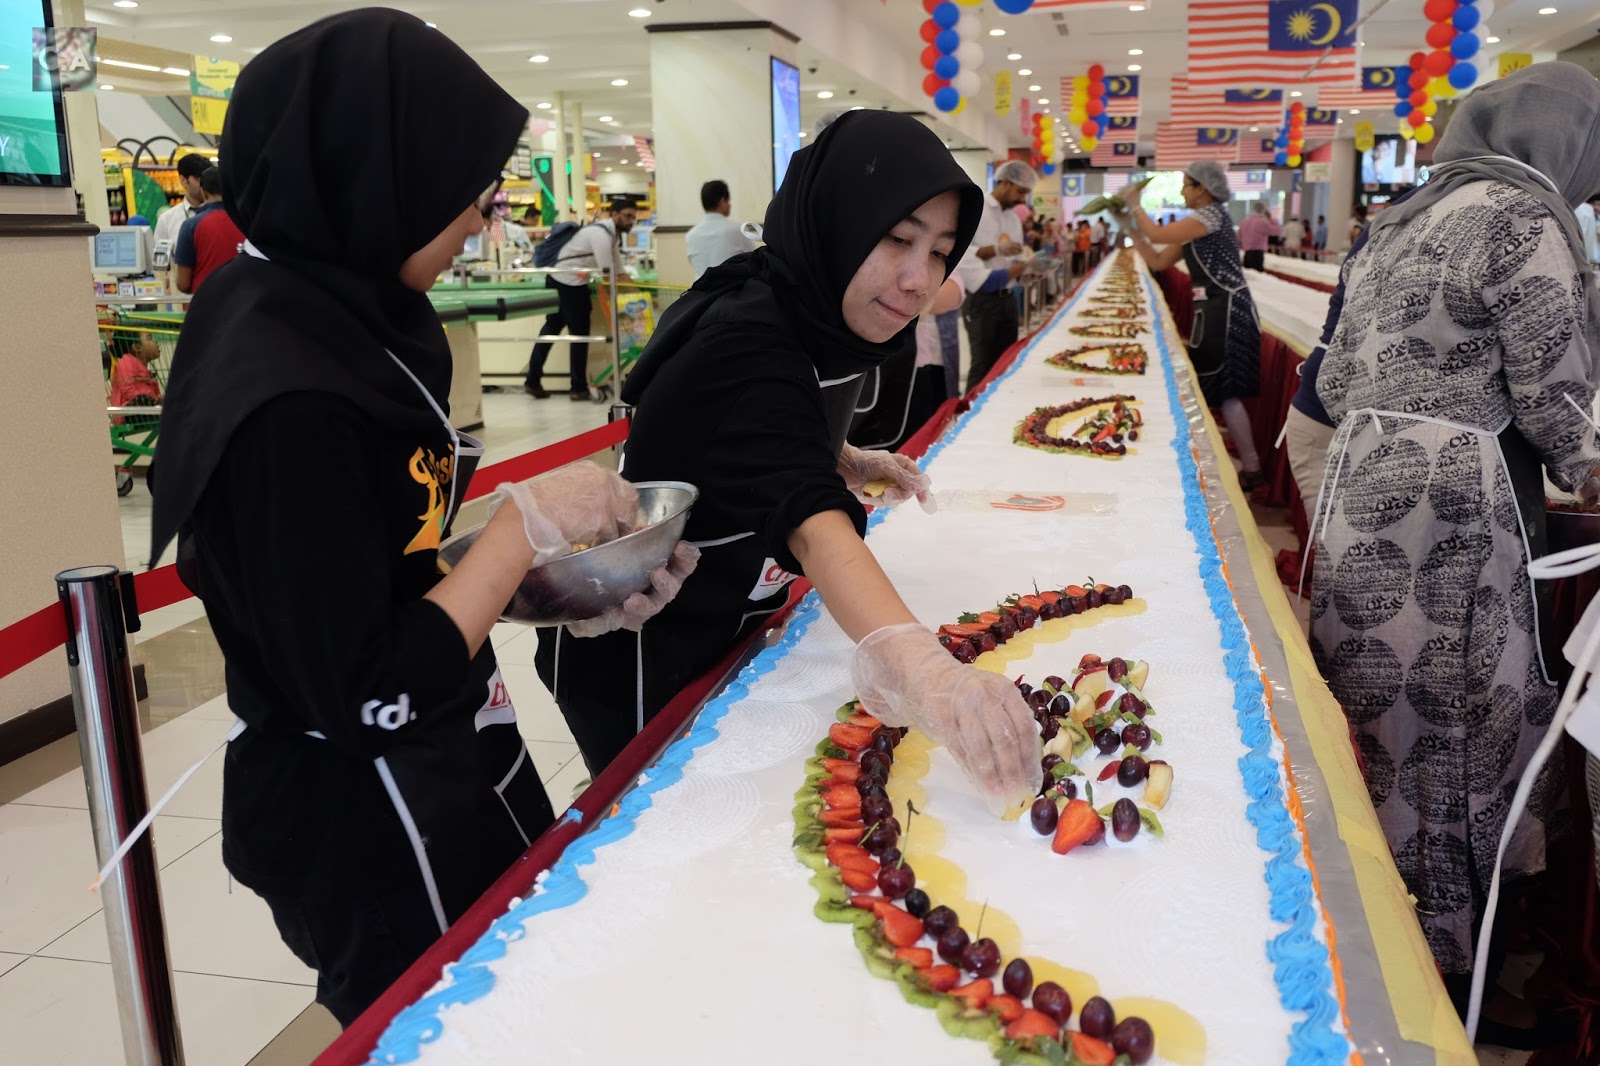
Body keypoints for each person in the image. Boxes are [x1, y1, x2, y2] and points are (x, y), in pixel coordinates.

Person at [145, 10, 694, 1026]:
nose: (483, 227)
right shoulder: (286, 397)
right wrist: (515, 531)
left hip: (450, 745)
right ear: (378, 180)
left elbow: (372, 565)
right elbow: (360, 692)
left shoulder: (344, 309)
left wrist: (552, 583)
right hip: (364, 814)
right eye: (472, 201)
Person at [536, 110, 1039, 817]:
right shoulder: (747, 334)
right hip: (645, 655)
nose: (917, 279)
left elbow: (755, 433)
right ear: (835, 221)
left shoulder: (816, 306)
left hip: (728, 626)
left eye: (939, 252)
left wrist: (840, 456)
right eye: (897, 239)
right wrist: (928, 673)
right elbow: (810, 521)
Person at [1309, 63, 1600, 1037]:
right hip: (1447, 515)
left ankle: (1353, 956)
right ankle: (1435, 1000)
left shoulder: (1400, 214)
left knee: (1371, 733)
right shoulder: (1525, 220)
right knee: (1453, 741)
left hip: (1358, 492)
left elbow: (1336, 369)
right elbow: (1561, 407)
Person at [1116, 160, 1265, 491]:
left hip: (1227, 312)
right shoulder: (1195, 225)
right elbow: (1157, 260)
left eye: (1186, 185)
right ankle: (1233, 463)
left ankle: (1252, 467)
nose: (1182, 191)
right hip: (1209, 311)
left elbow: (1155, 232)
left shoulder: (1208, 217)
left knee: (1226, 392)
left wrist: (1135, 207)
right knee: (1213, 389)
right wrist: (1127, 224)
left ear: (1203, 190)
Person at [525, 200, 635, 400]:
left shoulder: (610, 235)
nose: (631, 221)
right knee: (579, 334)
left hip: (558, 278)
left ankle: (532, 380)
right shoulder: (601, 234)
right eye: (628, 216)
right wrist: (630, 297)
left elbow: (620, 272)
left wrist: (638, 291)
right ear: (614, 214)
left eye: (633, 217)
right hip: (570, 283)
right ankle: (577, 388)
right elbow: (608, 273)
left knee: (552, 328)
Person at [961, 160, 1035, 392]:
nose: (1023, 199)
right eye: (1020, 191)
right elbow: (962, 254)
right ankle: (968, 419)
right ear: (1004, 182)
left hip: (1008, 298)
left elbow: (1018, 260)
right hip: (981, 301)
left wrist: (1030, 269)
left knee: (1005, 363)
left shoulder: (1014, 219)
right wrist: (996, 250)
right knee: (982, 365)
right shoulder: (977, 208)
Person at [173, 165, 245, 293]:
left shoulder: (191, 226)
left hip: (204, 303)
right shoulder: (248, 222)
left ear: (203, 192)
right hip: (244, 302)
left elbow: (183, 284)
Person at [685, 179, 756, 279]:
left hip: (700, 293)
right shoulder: (738, 230)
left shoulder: (690, 236)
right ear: (722, 201)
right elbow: (755, 263)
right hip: (733, 293)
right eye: (728, 201)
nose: (730, 205)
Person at [153, 152, 212, 254]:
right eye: (199, 180)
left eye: (207, 179)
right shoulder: (167, 220)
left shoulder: (221, 215)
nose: (204, 184)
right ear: (183, 180)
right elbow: (160, 261)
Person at [1237, 200, 1280, 272]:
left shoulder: (1244, 222)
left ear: (1253, 210)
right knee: (1257, 276)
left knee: (1249, 277)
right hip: (1257, 254)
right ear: (1263, 210)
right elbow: (1277, 231)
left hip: (1247, 254)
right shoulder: (1263, 222)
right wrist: (1272, 219)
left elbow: (1238, 238)